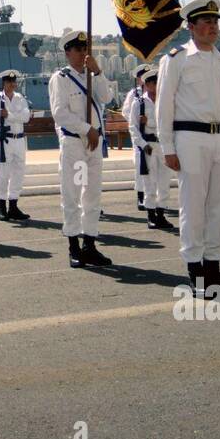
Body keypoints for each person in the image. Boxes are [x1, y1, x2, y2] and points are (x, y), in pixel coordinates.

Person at [156, 0, 220, 291]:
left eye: (216, 21)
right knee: (193, 206)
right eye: (206, 21)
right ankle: (195, 268)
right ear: (191, 26)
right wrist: (167, 146)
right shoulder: (176, 58)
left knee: (218, 205)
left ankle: (213, 265)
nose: (213, 27)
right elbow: (164, 103)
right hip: (190, 138)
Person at [49, 30, 114, 268]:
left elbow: (106, 97)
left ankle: (90, 244)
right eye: (78, 49)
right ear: (67, 52)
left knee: (93, 195)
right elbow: (60, 113)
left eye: (85, 48)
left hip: (93, 145)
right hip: (76, 143)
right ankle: (74, 247)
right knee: (73, 195)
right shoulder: (61, 79)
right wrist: (87, 129)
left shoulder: (92, 74)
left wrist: (97, 72)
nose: (83, 52)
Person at [137, 64, 174, 232]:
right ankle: (151, 215)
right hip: (149, 146)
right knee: (150, 182)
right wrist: (143, 145)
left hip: (164, 145)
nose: (154, 86)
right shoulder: (140, 103)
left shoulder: (166, 102)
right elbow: (133, 128)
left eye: (157, 82)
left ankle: (161, 213)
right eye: (151, 83)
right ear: (146, 84)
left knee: (165, 182)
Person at [0, 69, 32, 221]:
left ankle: (13, 205)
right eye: (9, 81)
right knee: (3, 173)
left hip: (19, 140)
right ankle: (2, 206)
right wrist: (14, 117)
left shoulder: (20, 98)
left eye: (13, 81)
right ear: (4, 83)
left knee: (19, 172)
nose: (12, 84)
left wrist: (9, 115)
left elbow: (26, 117)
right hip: (4, 140)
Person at [124, 65, 148, 211]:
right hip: (139, 133)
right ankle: (140, 196)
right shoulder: (134, 94)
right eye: (142, 76)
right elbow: (126, 112)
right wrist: (137, 120)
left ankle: (153, 197)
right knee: (140, 165)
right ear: (138, 79)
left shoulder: (155, 92)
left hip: (153, 134)